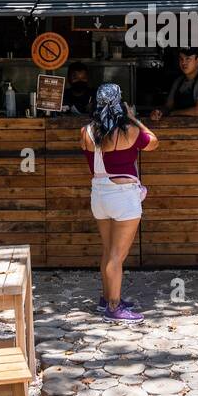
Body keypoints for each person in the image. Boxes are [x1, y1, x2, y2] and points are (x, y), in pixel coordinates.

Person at [80, 83, 159, 323]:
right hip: (123, 197)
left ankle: (107, 298)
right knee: (117, 256)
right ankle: (114, 308)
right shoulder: (129, 131)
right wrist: (135, 119)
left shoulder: (85, 131)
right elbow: (154, 142)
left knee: (108, 251)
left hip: (99, 195)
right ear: (119, 103)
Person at [150, 48, 198, 119]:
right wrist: (159, 112)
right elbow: (168, 107)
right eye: (181, 59)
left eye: (188, 59)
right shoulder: (178, 81)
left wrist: (173, 113)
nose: (183, 63)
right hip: (179, 127)